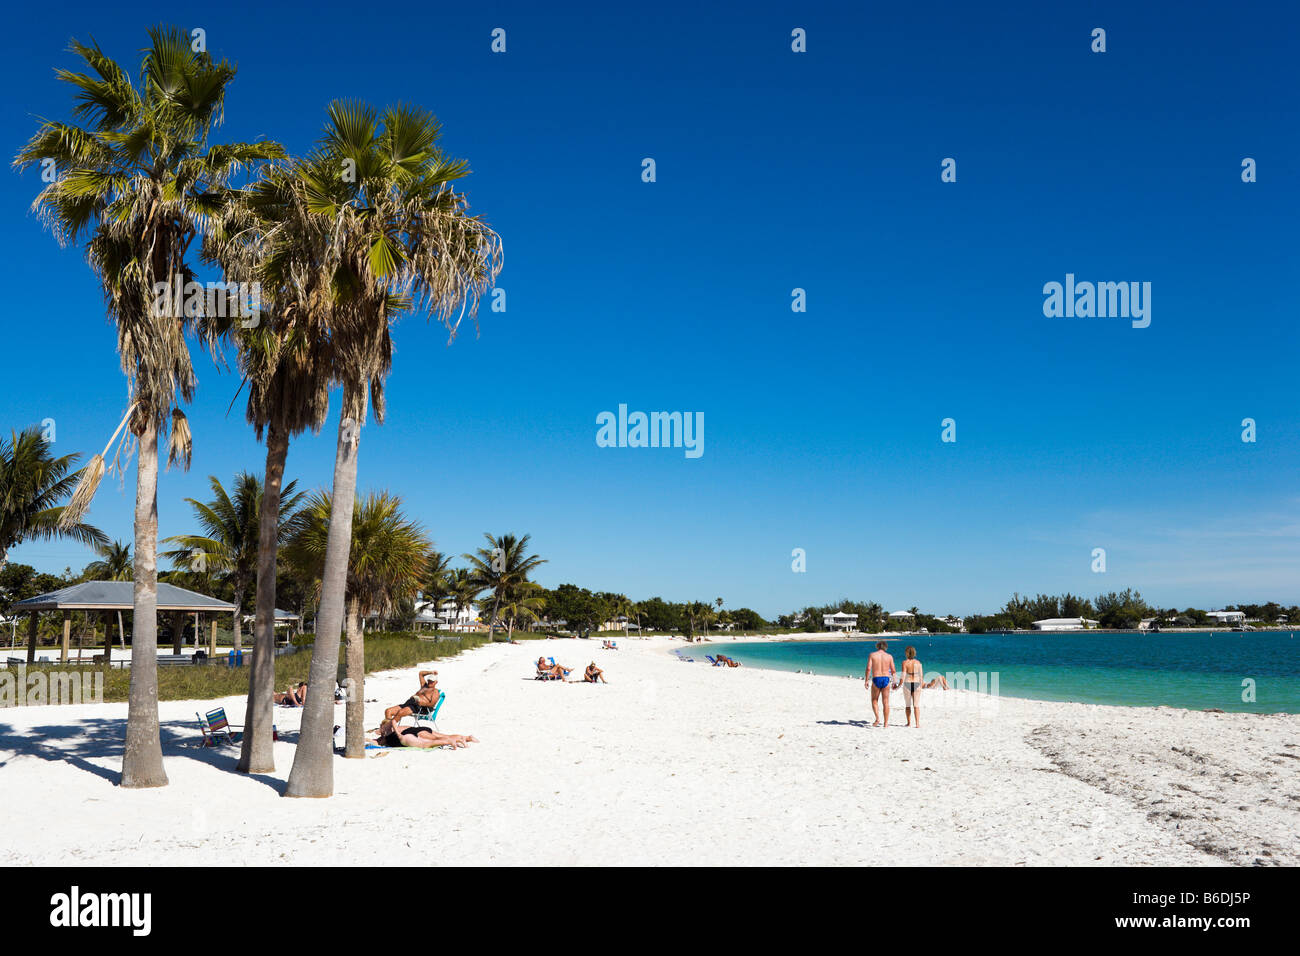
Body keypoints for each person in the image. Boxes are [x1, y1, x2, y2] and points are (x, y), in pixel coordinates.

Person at [366, 718, 478, 750]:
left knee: (438, 738)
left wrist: (383, 730)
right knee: (444, 736)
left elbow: (392, 722)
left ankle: (462, 739)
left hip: (417, 733)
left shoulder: (389, 732)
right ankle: (466, 738)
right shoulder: (396, 729)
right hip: (419, 729)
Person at [865, 641, 895, 727]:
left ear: (877, 646)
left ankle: (877, 718)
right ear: (886, 647)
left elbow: (868, 668)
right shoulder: (889, 656)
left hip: (876, 678)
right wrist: (894, 682)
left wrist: (866, 680)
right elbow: (893, 670)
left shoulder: (872, 655)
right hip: (886, 678)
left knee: (874, 700)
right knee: (886, 702)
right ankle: (885, 723)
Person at [896, 646, 924, 728]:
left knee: (908, 705)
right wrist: (921, 686)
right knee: (916, 705)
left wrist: (898, 685)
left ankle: (908, 723)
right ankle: (917, 724)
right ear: (914, 653)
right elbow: (921, 676)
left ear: (906, 653)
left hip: (907, 683)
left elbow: (903, 676)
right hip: (916, 683)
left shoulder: (905, 663)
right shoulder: (918, 663)